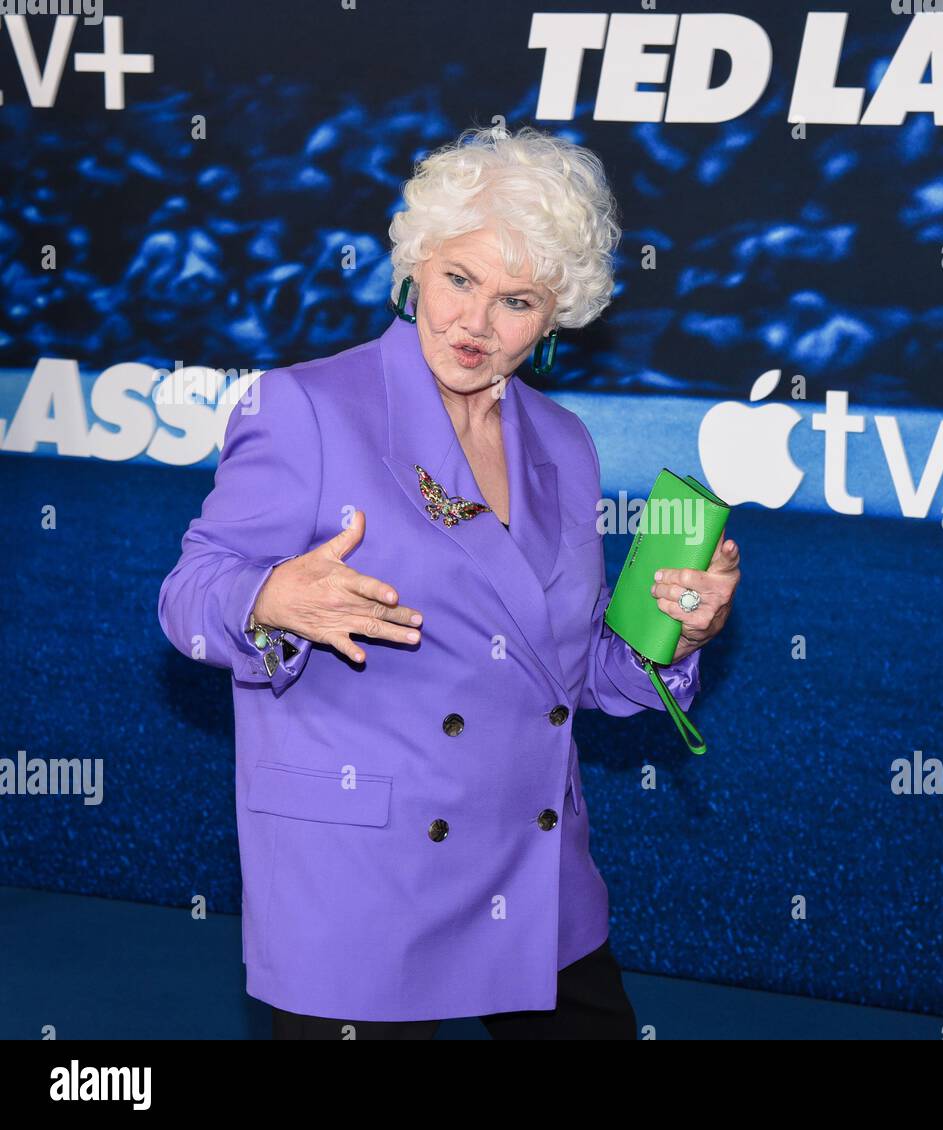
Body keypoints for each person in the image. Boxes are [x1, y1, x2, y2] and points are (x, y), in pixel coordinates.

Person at [156, 124, 740, 1040]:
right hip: (362, 875)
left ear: (556, 318)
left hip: (533, 867)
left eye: (516, 301)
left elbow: (577, 673)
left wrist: (677, 634)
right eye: (458, 279)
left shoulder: (566, 445)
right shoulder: (305, 406)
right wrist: (269, 599)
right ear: (416, 263)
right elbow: (188, 596)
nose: (474, 323)